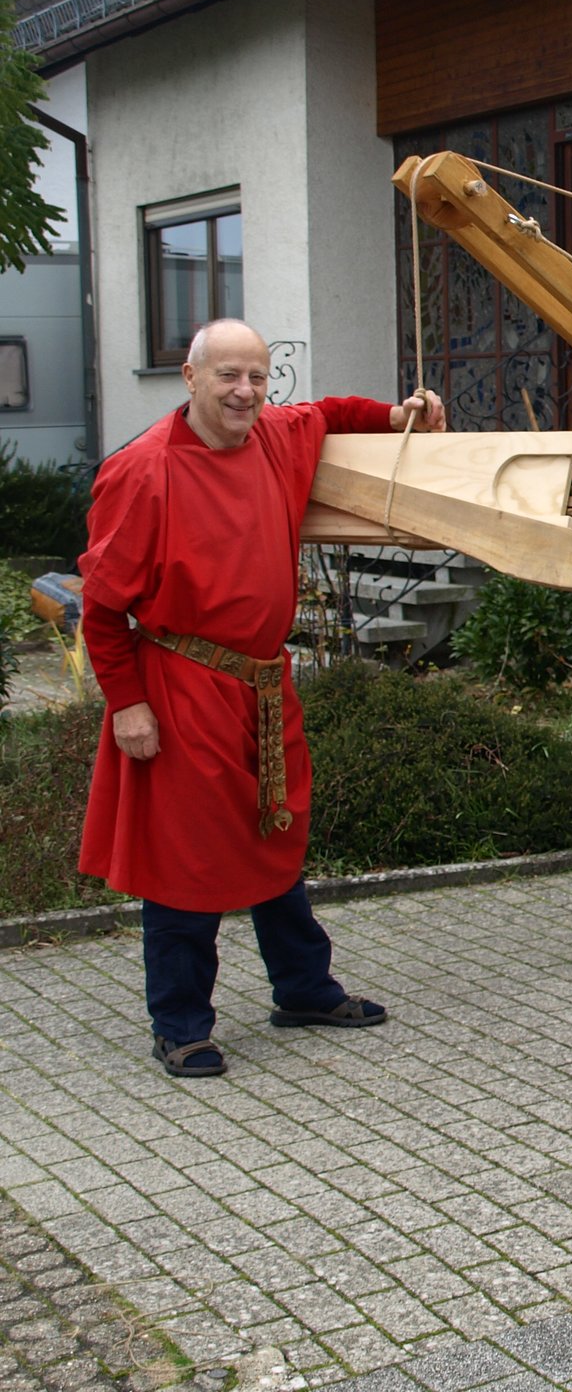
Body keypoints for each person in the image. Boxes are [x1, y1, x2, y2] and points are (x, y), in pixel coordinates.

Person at [77, 319, 448, 1077]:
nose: (245, 392)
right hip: (181, 688)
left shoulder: (275, 436)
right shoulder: (143, 471)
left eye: (257, 377)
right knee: (186, 861)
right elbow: (102, 608)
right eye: (228, 377)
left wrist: (397, 413)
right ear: (190, 377)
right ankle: (180, 1024)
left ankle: (303, 990)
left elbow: (332, 412)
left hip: (262, 686)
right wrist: (128, 704)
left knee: (275, 839)